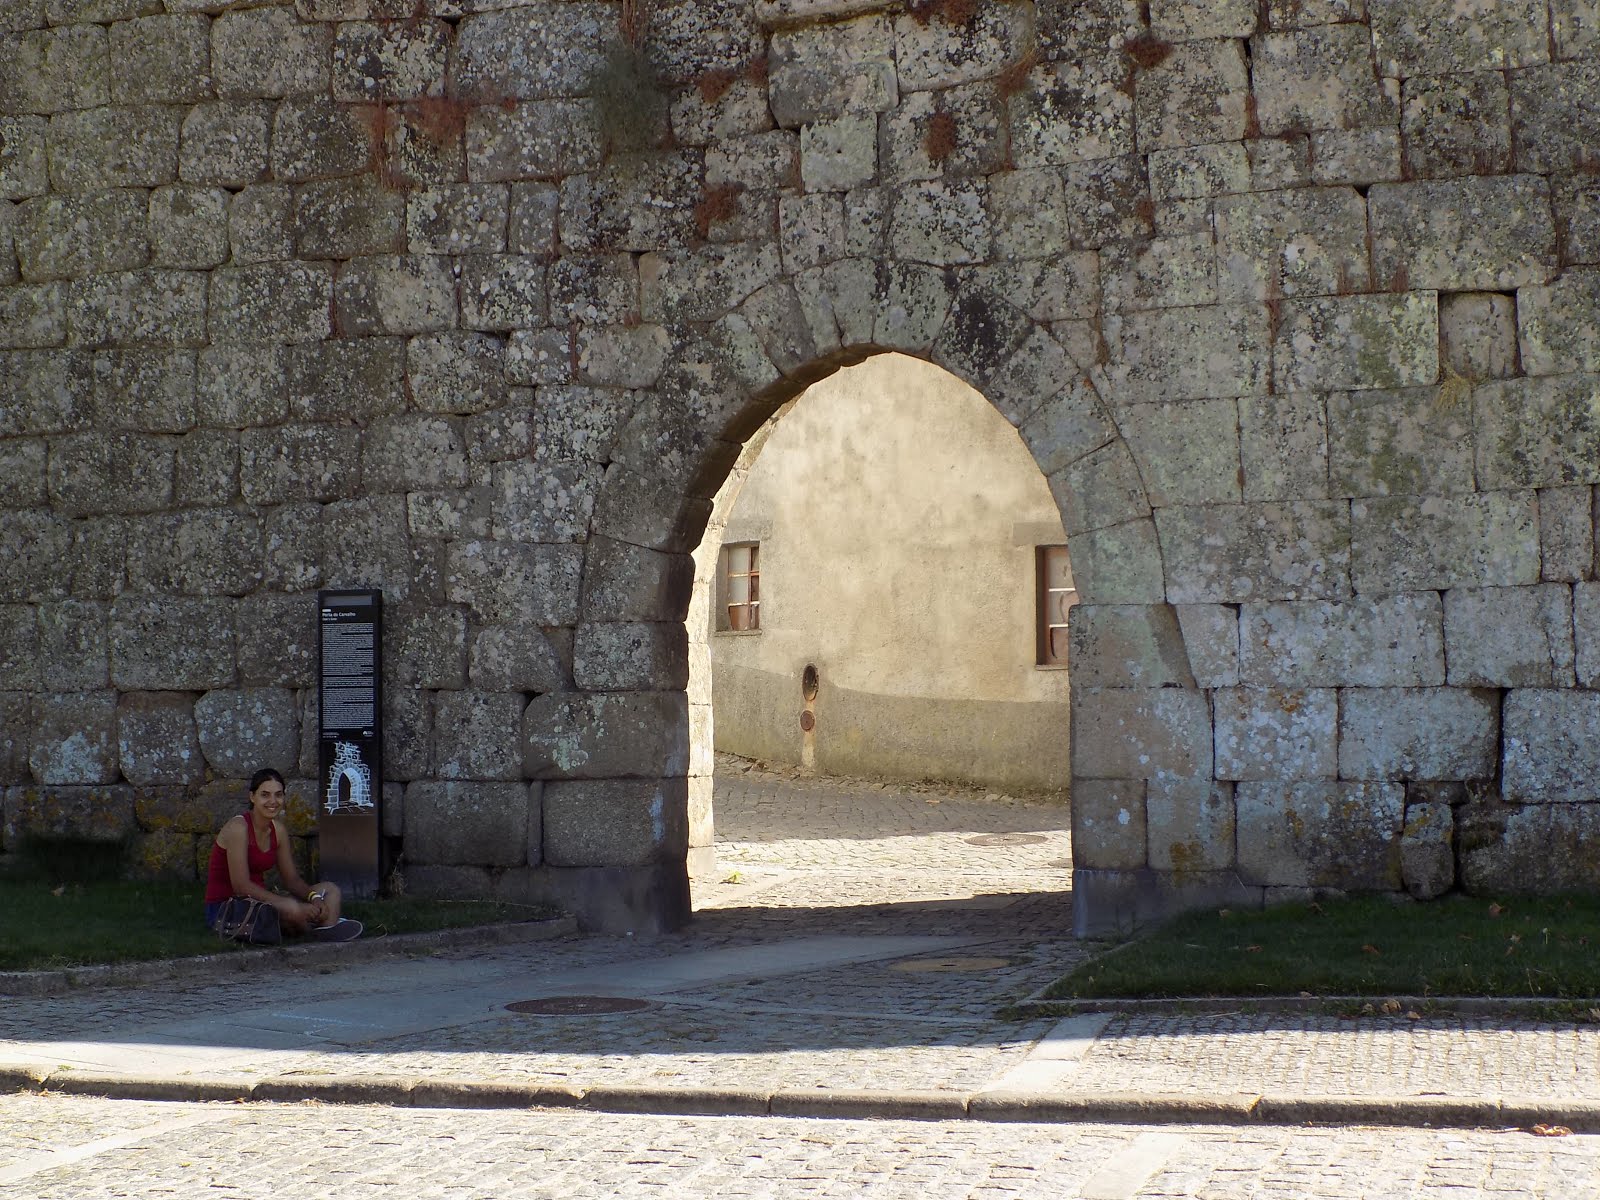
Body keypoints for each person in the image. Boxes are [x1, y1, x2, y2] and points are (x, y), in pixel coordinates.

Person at [204, 768, 361, 941]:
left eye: (278, 795)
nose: (273, 801)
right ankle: (320, 929)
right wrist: (283, 903)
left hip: (260, 902)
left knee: (331, 891)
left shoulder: (278, 830)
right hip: (228, 907)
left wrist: (314, 898)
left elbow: (292, 880)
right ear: (252, 797)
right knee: (292, 908)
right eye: (265, 795)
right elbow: (241, 887)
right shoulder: (238, 828)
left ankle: (319, 930)